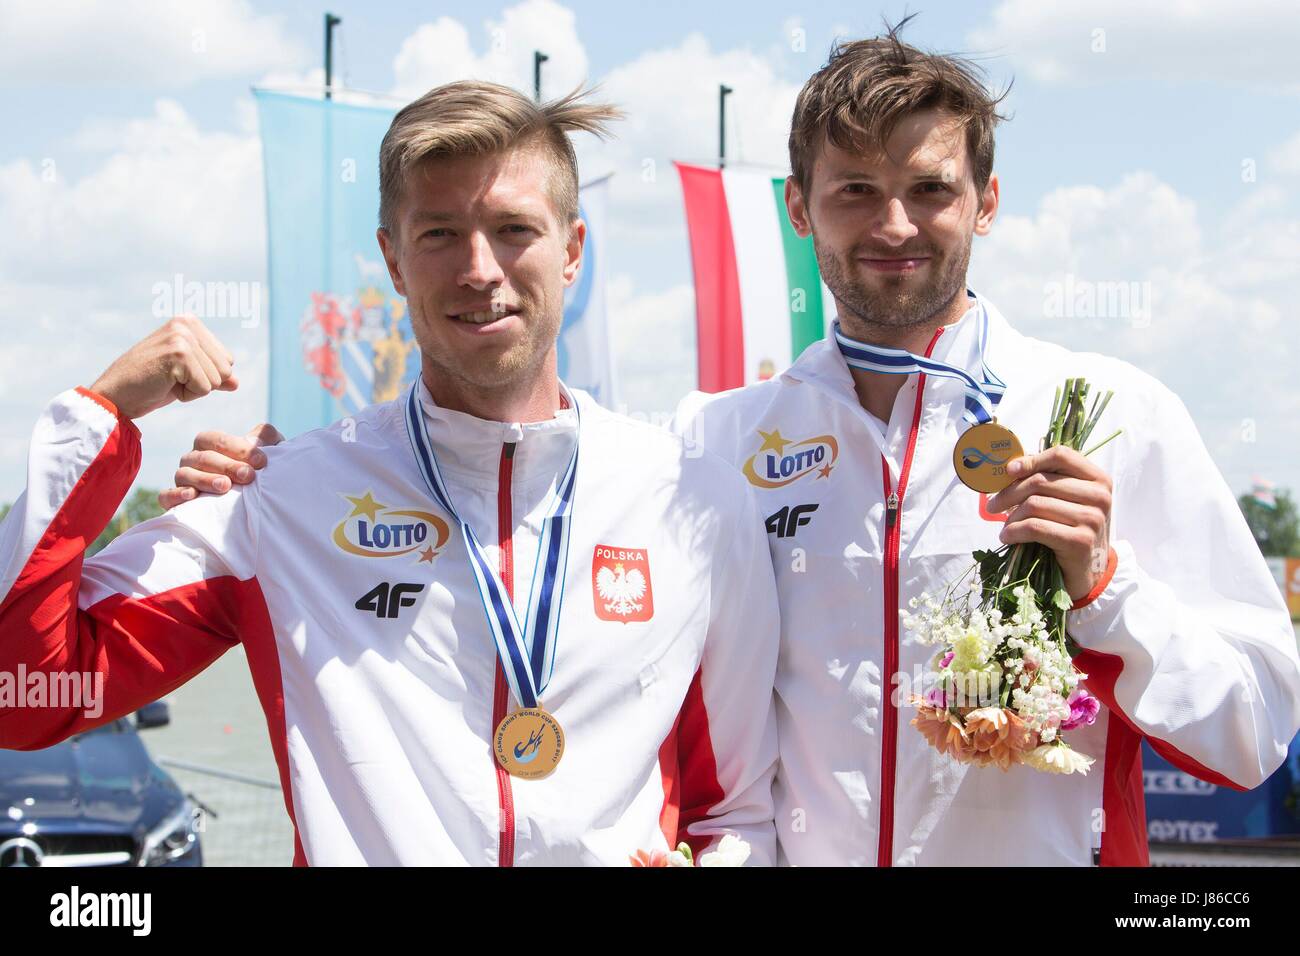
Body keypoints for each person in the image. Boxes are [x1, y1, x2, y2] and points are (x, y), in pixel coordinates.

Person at [168, 29, 1300, 867]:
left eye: (929, 190)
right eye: (854, 191)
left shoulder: (1108, 411)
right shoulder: (714, 439)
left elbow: (1256, 732)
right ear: (801, 210)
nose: (893, 225)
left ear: (988, 201)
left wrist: (1109, 592)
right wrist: (300, 481)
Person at [0, 81, 780, 867]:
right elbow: (23, 697)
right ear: (393, 259)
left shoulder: (691, 498)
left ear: (572, 249)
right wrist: (98, 416)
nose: (480, 270)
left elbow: (736, 813)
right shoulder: (274, 503)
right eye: (441, 233)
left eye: (514, 229)